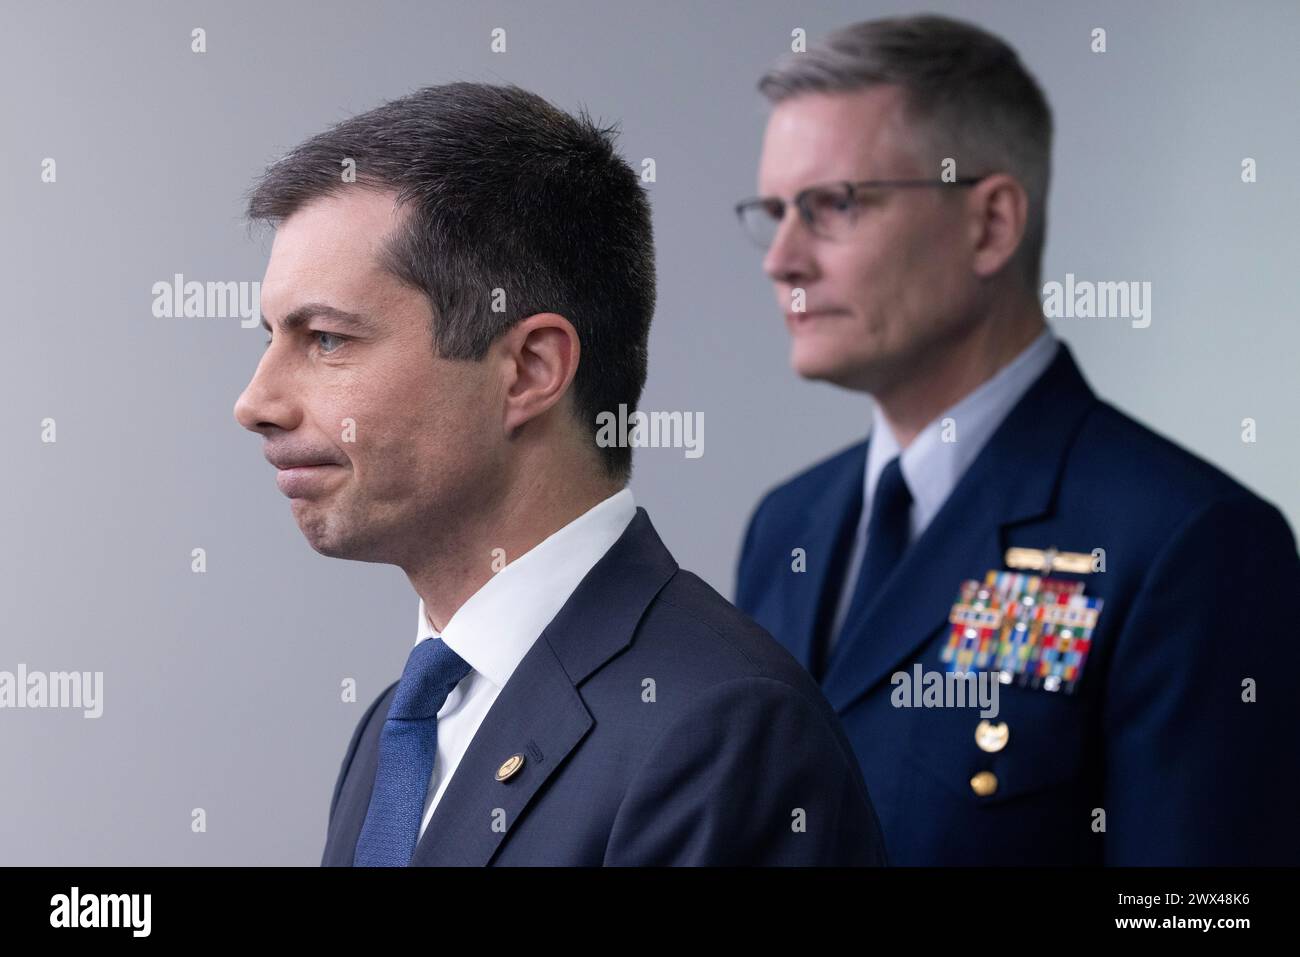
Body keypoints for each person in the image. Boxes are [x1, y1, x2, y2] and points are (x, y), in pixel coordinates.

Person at [234, 82, 885, 866]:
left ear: (530, 370)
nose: (256, 402)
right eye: (272, 337)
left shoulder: (723, 731)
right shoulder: (396, 729)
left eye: (328, 340)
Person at [733, 15, 1300, 865]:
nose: (782, 258)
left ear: (991, 223)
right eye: (775, 211)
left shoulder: (1190, 543)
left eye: (834, 205)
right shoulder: (788, 528)